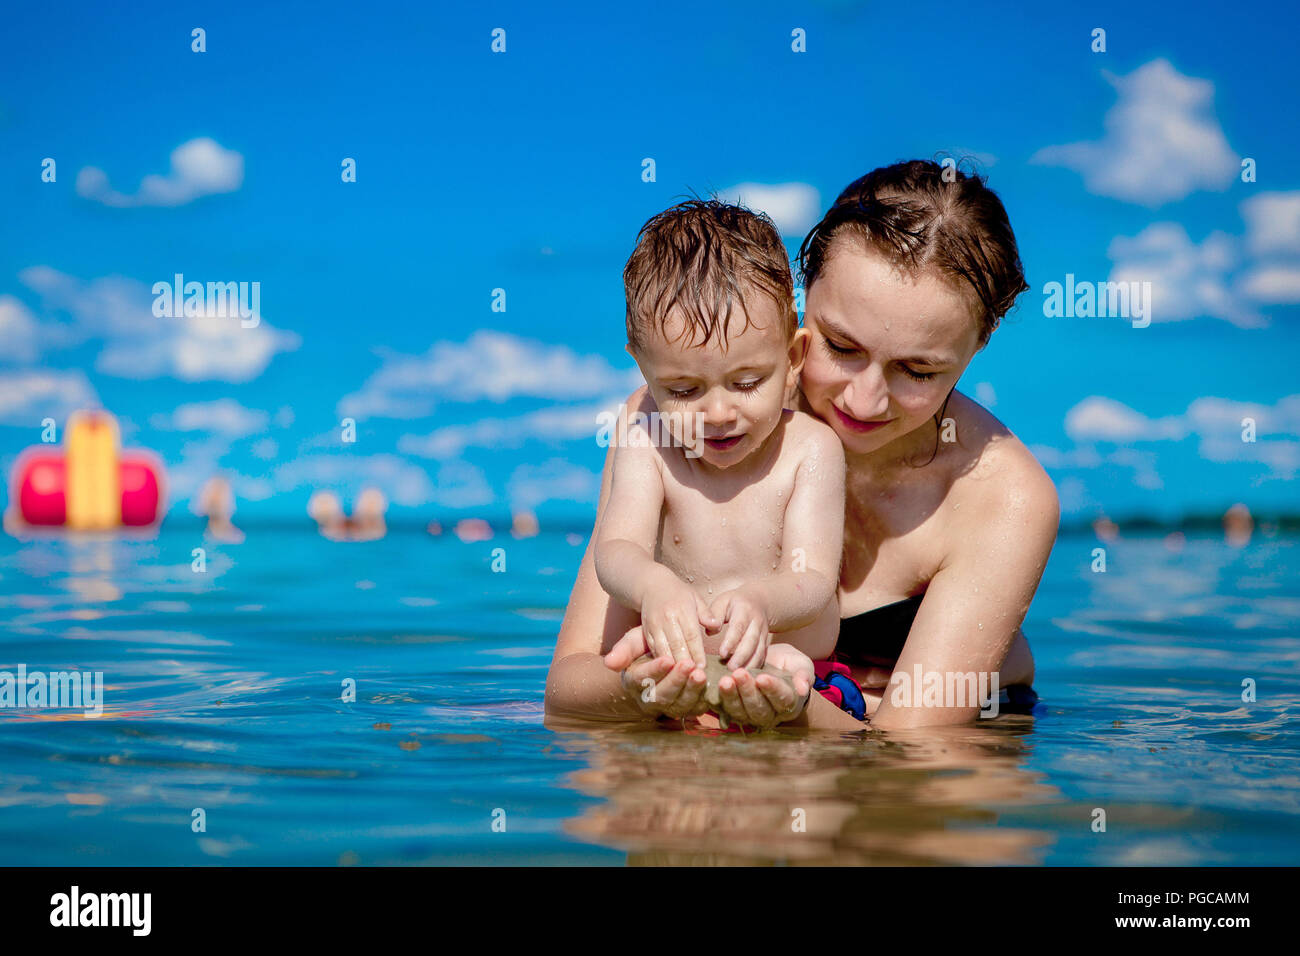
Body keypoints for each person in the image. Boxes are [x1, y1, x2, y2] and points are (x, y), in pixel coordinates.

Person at [546, 159, 1058, 731]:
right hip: (777, 716)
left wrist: (775, 701)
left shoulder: (1004, 497)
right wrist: (656, 689)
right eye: (840, 346)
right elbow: (572, 685)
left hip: (928, 744)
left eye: (917, 371)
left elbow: (909, 755)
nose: (863, 403)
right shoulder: (691, 415)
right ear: (799, 312)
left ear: (979, 344)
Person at [594, 199, 846, 725]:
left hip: (798, 664)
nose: (718, 413)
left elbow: (816, 576)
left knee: (789, 676)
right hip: (674, 657)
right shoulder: (648, 439)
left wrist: (761, 602)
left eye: (747, 382)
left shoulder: (811, 449)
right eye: (683, 389)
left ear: (794, 359)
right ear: (643, 370)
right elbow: (616, 548)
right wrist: (653, 586)